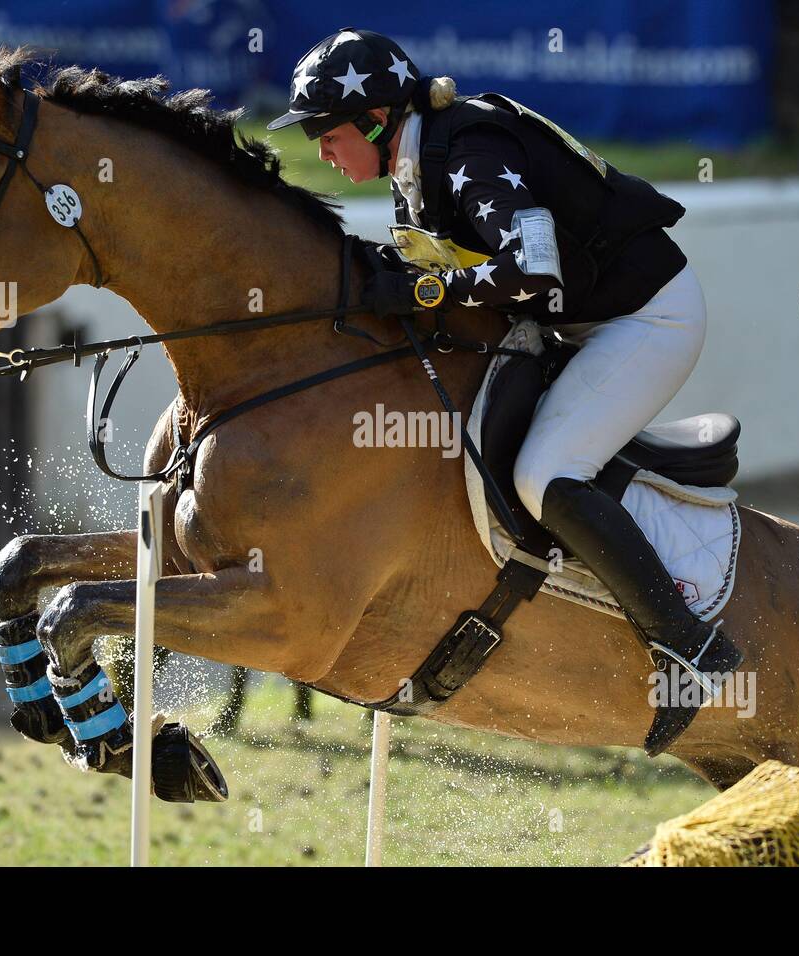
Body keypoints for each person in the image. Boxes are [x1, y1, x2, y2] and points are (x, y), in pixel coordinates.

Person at [267, 28, 742, 754]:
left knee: (544, 472)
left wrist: (426, 287)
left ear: (374, 118)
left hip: (647, 320)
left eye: (327, 136)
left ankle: (690, 647)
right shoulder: (416, 160)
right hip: (582, 321)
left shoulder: (468, 153)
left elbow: (535, 271)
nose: (320, 154)